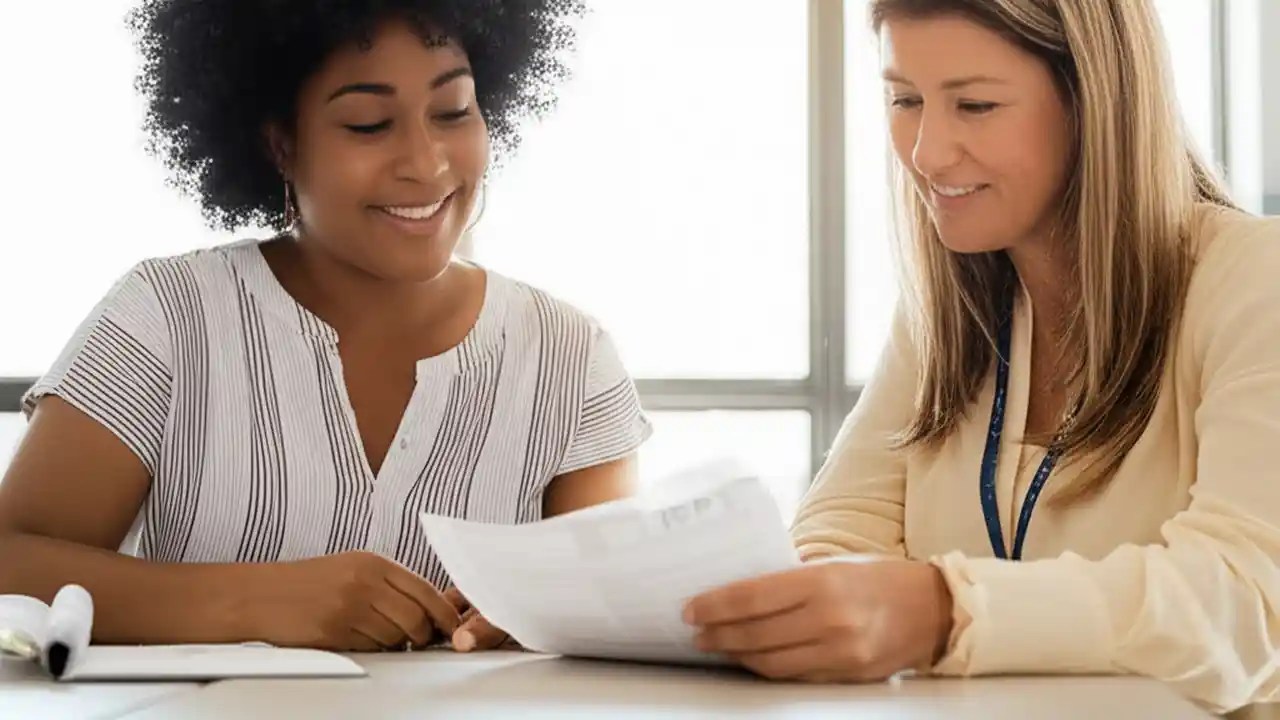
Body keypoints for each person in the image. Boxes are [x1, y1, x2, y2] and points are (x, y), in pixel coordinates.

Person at [0, 0, 651, 655]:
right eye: (369, 124)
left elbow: (622, 610)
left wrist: (545, 610)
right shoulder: (169, 317)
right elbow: (10, 560)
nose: (426, 163)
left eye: (453, 111)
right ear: (280, 144)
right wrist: (256, 602)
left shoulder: (569, 357)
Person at [683, 0, 1280, 712]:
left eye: (975, 105)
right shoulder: (949, 313)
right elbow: (838, 531)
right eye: (905, 100)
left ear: (1097, 103)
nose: (927, 153)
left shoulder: (1255, 281)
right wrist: (817, 609)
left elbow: (1247, 600)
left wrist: (946, 610)